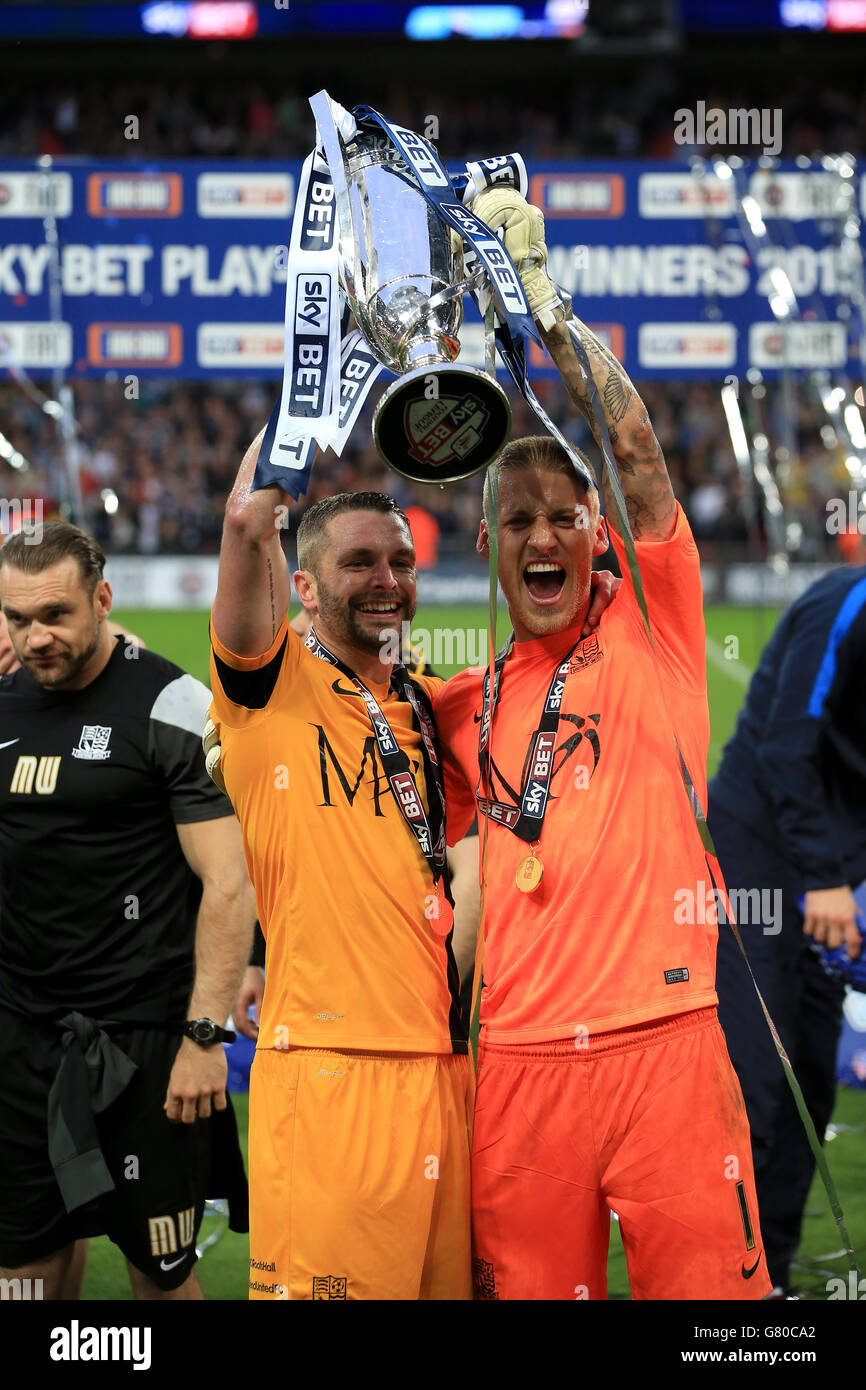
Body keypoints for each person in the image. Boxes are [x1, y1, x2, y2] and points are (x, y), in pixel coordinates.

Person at [430, 184, 772, 1300]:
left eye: (561, 515)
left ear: (596, 533)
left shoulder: (656, 623)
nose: (541, 533)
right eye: (516, 517)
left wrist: (549, 312)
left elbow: (629, 447)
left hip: (665, 1038)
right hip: (519, 1064)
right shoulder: (459, 702)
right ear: (485, 543)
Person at [208, 468, 486, 1300]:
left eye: (400, 563)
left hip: (448, 1070)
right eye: (360, 562)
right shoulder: (268, 685)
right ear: (303, 584)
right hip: (330, 1071)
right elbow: (242, 522)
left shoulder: (429, 700)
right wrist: (300, 414)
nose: (387, 582)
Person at [0, 521, 256, 1300]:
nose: (36, 637)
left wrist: (204, 1037)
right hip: (20, 1038)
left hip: (145, 1044)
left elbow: (229, 883)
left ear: (103, 600)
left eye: (56, 615)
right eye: (17, 619)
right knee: (21, 1272)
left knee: (161, 1272)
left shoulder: (174, 704)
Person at [708, 565, 866, 1297]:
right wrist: (825, 878)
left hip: (836, 868)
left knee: (811, 1077)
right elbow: (785, 747)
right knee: (756, 1078)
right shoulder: (844, 603)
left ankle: (767, 1273)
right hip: (761, 853)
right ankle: (719, 1281)